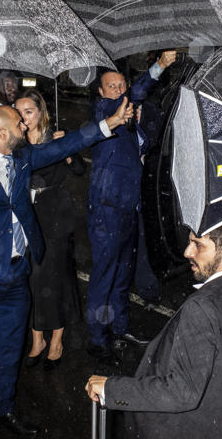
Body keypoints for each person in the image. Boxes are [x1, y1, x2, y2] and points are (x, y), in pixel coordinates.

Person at [0, 100, 134, 435]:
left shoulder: (22, 157)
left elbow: (65, 145)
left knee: (10, 347)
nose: (24, 125)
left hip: (17, 274)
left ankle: (2, 410)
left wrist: (108, 123)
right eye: (17, 123)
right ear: (1, 133)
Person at [84, 210, 222, 439]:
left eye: (198, 244)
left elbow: (182, 391)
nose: (187, 252)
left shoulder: (204, 307)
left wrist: (112, 389)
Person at [86, 49, 176, 364]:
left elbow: (142, 146)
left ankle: (120, 327)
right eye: (112, 87)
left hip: (128, 208)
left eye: (122, 85)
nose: (119, 90)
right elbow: (134, 95)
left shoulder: (128, 118)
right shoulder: (103, 111)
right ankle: (97, 340)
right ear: (101, 93)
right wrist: (159, 66)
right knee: (104, 277)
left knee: (122, 275)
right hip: (107, 211)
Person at [13, 90, 85, 371]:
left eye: (29, 111)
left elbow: (79, 169)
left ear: (41, 112)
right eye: (19, 112)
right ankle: (37, 339)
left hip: (55, 211)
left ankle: (56, 339)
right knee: (31, 275)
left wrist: (67, 150)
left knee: (56, 276)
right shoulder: (16, 141)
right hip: (26, 211)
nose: (23, 118)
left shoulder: (55, 138)